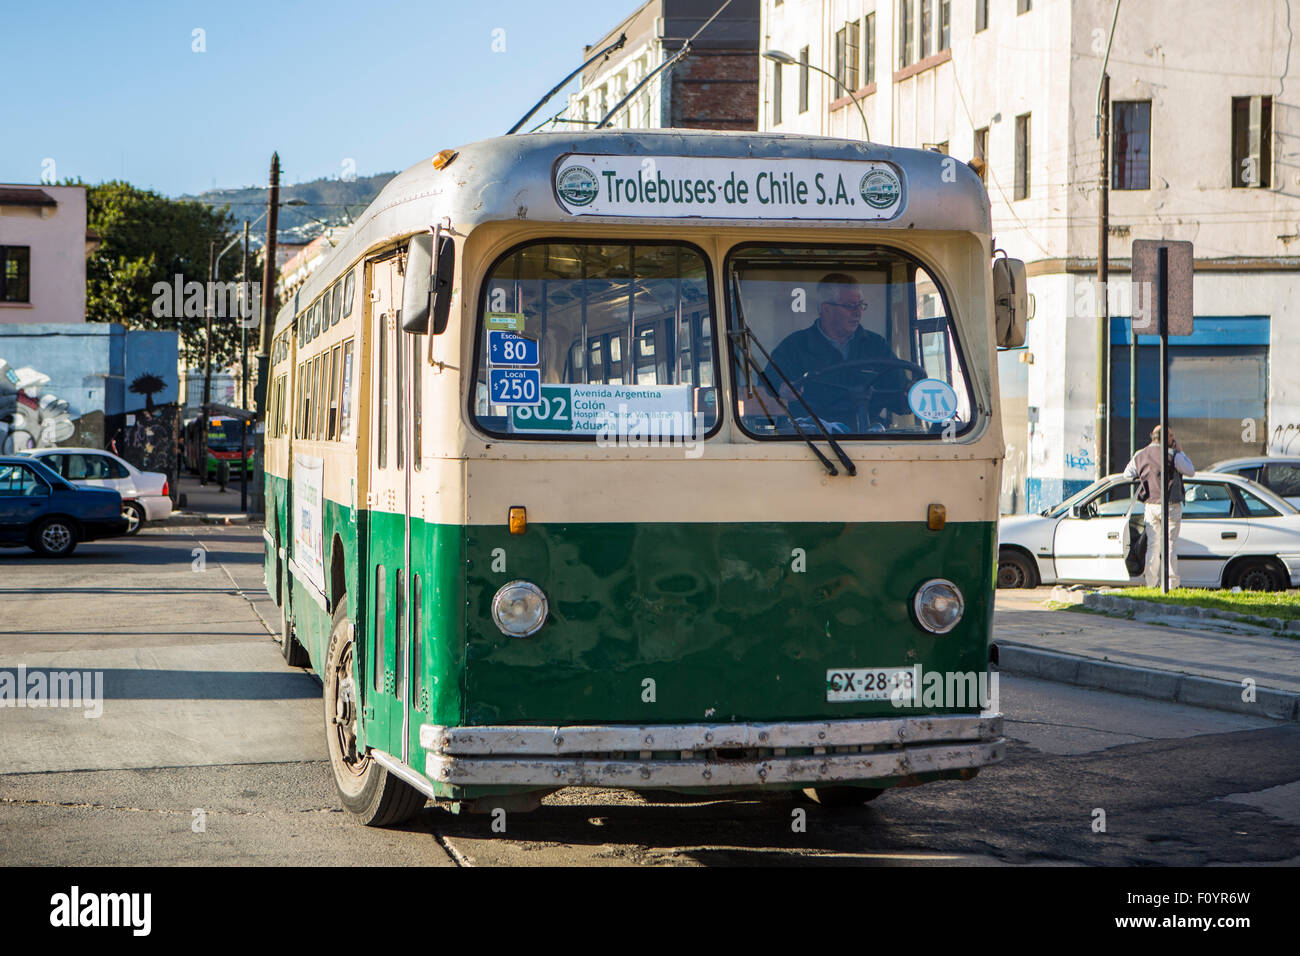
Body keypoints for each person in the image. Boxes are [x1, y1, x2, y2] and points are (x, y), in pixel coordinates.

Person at [761, 273, 903, 429]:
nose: (858, 312)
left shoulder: (876, 345)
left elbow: (899, 391)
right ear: (826, 309)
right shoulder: (796, 345)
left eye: (861, 305)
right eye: (850, 306)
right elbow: (768, 379)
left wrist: (910, 393)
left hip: (867, 436)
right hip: (812, 439)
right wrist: (783, 388)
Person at [1123, 425, 1195, 588]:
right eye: (1171, 437)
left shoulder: (1140, 455)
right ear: (1167, 439)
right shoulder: (1173, 455)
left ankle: (1151, 581)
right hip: (1170, 504)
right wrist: (1181, 451)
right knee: (1170, 545)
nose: (1173, 440)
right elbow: (1190, 471)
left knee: (1153, 545)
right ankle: (1171, 583)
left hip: (1150, 505)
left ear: (1152, 436)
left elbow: (1127, 474)